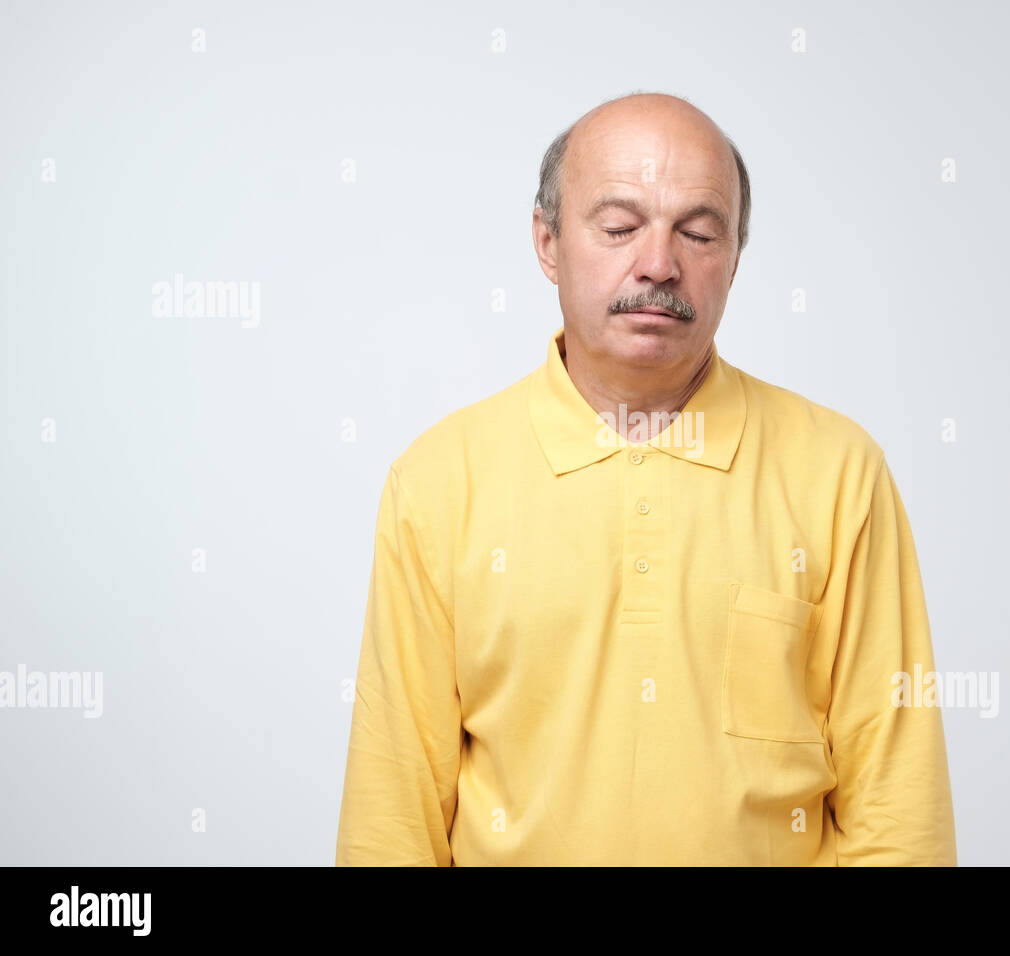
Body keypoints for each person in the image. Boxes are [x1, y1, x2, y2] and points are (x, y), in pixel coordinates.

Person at [335, 91, 957, 866]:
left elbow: (898, 801)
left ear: (734, 257)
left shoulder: (837, 472)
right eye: (620, 227)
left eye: (698, 233)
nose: (659, 264)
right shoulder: (438, 480)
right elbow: (392, 810)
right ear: (548, 243)